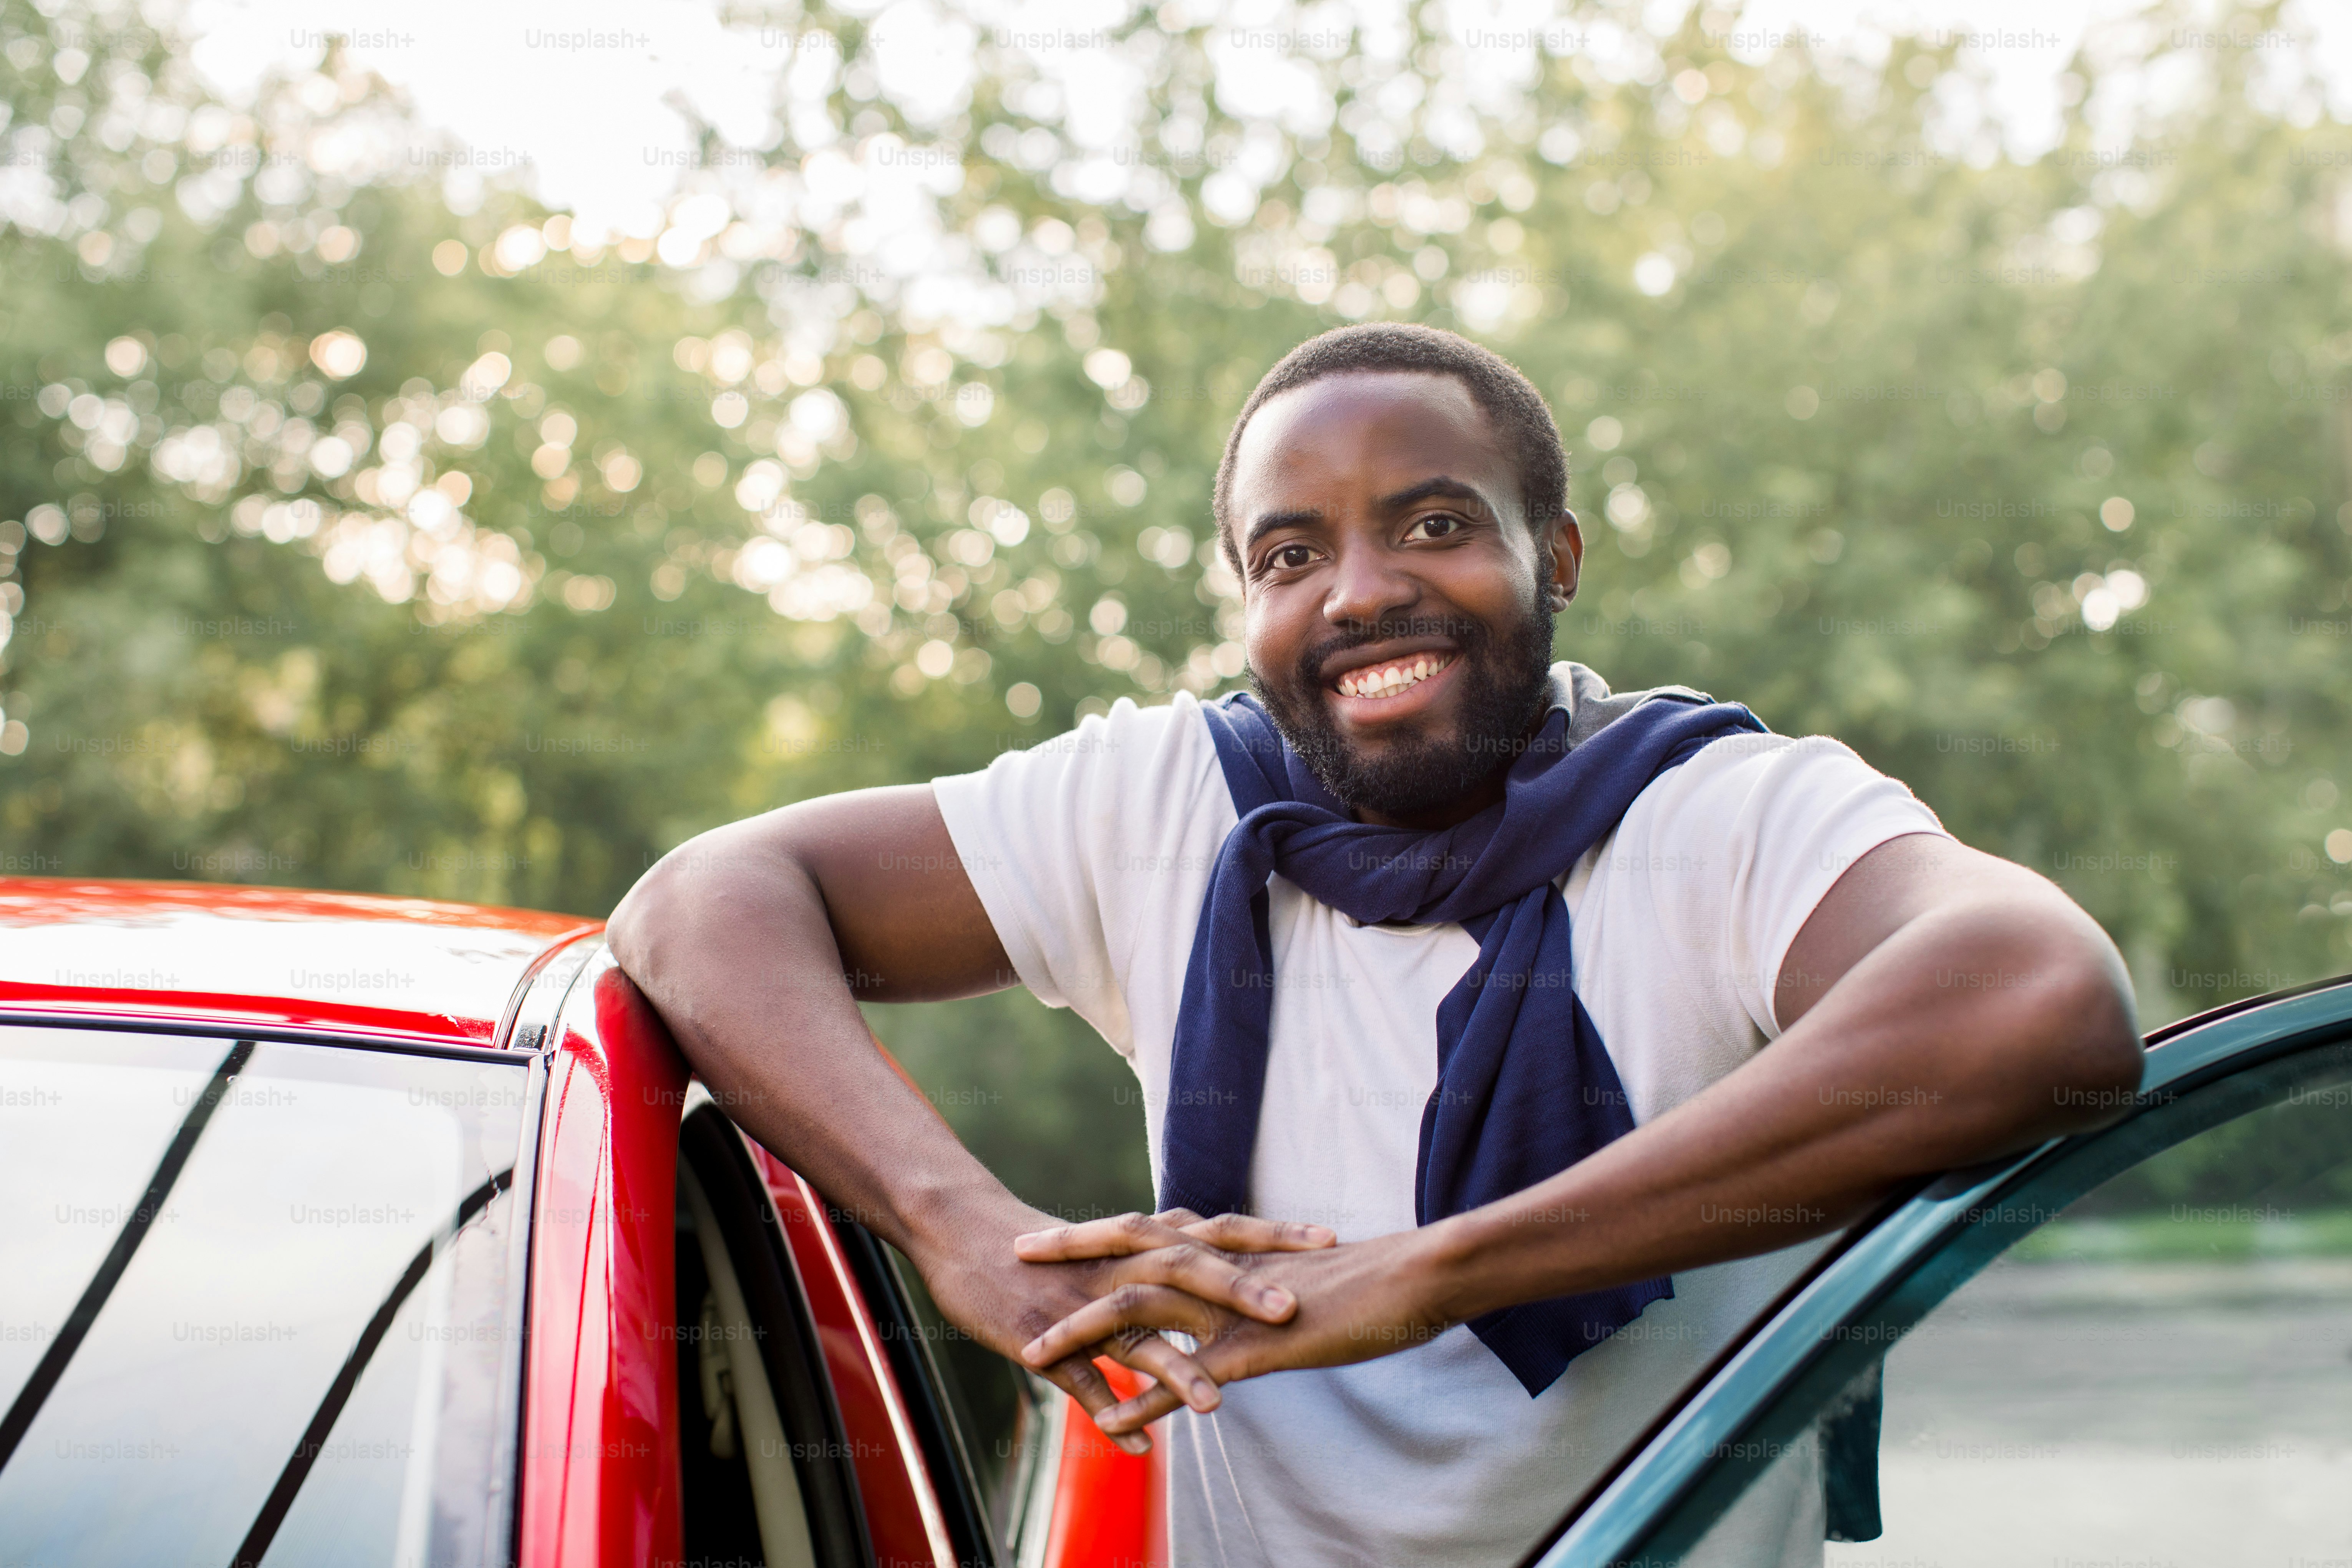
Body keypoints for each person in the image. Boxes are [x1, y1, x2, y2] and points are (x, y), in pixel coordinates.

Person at [607, 322, 2143, 1567]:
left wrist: (1434, 1271)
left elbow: (2044, 1007)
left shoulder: (1722, 812)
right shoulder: (1165, 798)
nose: (1359, 591)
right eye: (1287, 555)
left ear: (1558, 556)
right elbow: (700, 906)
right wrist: (957, 1226)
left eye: (1433, 524)